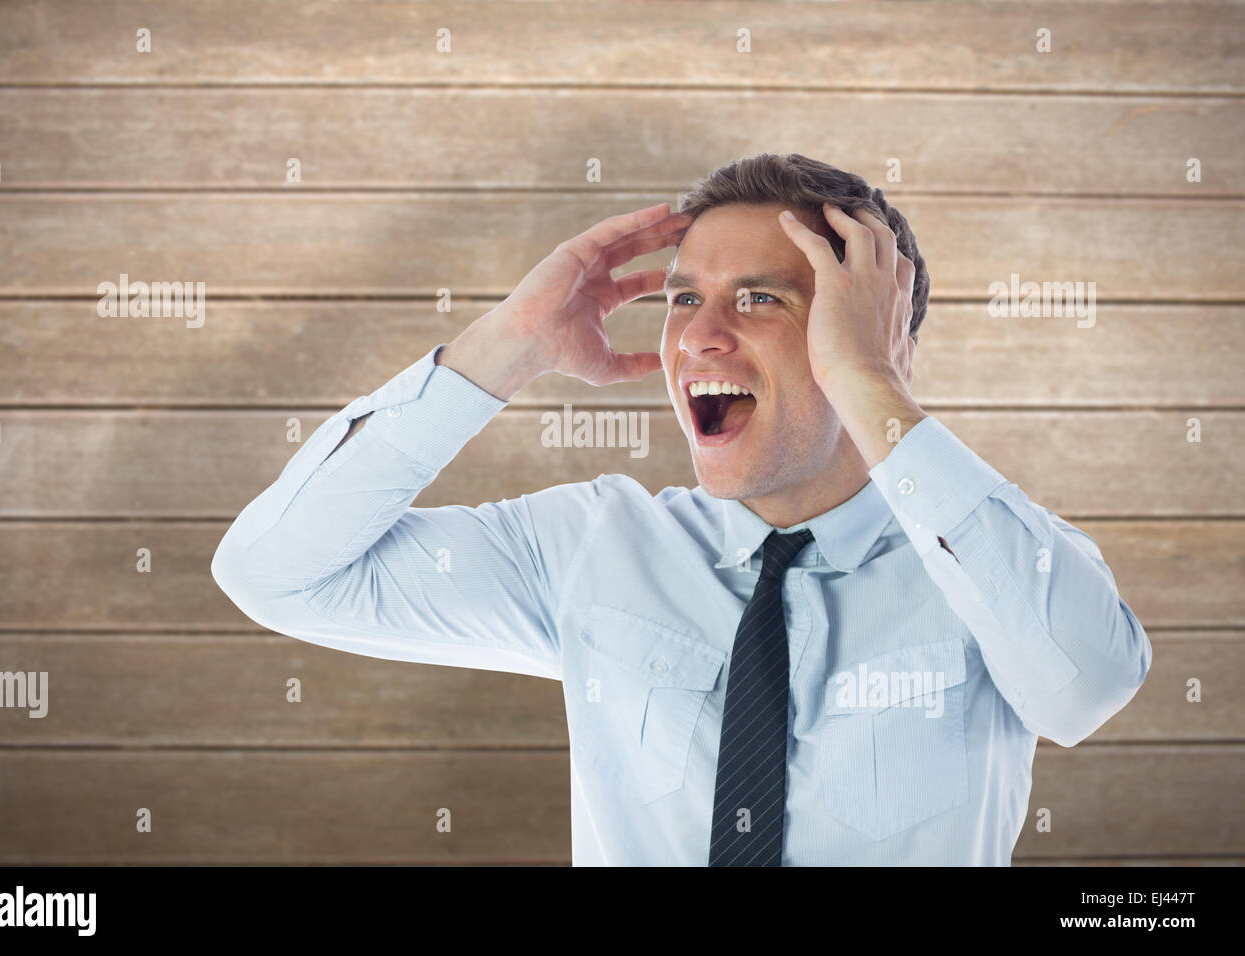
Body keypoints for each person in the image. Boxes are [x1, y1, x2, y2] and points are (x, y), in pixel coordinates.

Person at [211, 153, 1152, 865]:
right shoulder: (588, 548)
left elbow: (1086, 687)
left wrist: (869, 380)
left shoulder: (994, 565)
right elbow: (278, 573)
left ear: (869, 332)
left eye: (761, 299)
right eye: (682, 299)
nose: (699, 336)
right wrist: (507, 346)